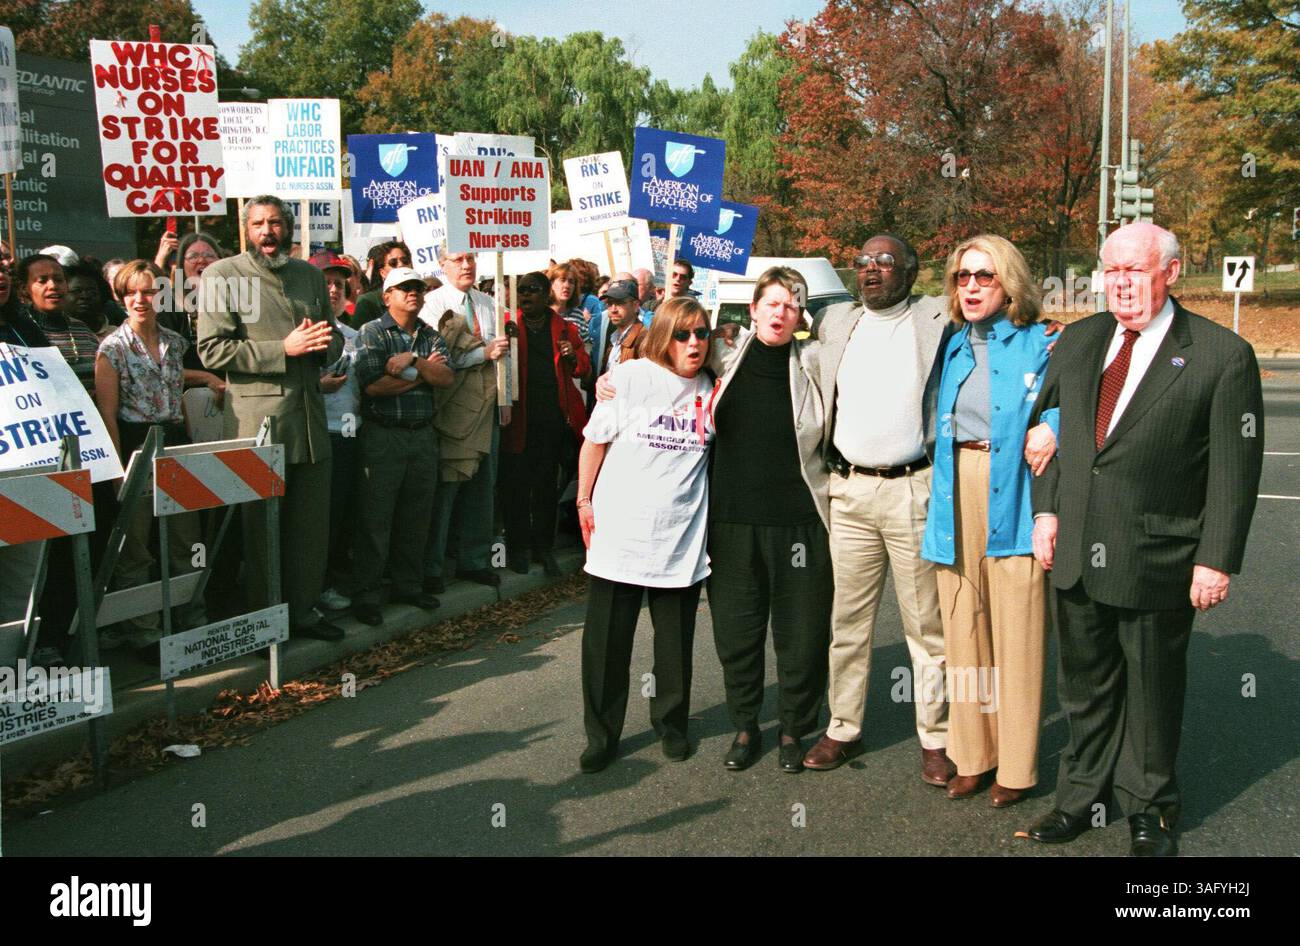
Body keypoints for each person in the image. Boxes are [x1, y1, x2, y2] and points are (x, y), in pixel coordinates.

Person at [1024, 223, 1264, 857]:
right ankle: (1079, 797)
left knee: (1152, 692)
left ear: (1171, 273)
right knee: (1084, 688)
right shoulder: (1079, 341)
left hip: (1159, 555)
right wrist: (1045, 514)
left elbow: (1234, 471)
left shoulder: (1220, 355)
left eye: (1135, 270)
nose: (1121, 283)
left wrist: (1215, 559)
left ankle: (1149, 809)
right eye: (1111, 270)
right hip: (1076, 548)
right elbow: (1050, 433)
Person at [804, 234, 956, 782]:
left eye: (885, 261)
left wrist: (1046, 330)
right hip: (849, 493)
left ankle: (936, 737)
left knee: (927, 628)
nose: (870, 270)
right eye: (863, 261)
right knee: (847, 623)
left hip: (912, 489)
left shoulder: (938, 318)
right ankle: (843, 727)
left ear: (911, 271)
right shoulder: (835, 322)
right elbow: (779, 352)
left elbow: (1000, 313)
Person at [919, 235, 1059, 807]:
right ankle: (973, 756)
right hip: (954, 491)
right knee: (964, 631)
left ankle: (1017, 769)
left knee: (1017, 637)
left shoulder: (1043, 342)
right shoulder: (952, 344)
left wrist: (1054, 427)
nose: (972, 287)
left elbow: (1077, 401)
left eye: (985, 276)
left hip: (1015, 494)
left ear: (1009, 284)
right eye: (963, 277)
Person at [197, 195, 344, 642]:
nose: (268, 231)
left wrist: (326, 345)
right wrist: (283, 349)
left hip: (310, 424)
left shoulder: (309, 275)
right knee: (262, 531)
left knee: (310, 528)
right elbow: (212, 350)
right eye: (258, 223)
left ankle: (303, 611)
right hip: (259, 425)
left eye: (276, 222)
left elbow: (334, 339)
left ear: (289, 227)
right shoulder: (223, 275)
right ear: (246, 229)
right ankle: (265, 625)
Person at [576, 297, 715, 772]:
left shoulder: (713, 386)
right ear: (663, 338)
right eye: (682, 334)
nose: (694, 343)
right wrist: (583, 500)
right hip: (620, 534)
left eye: (701, 333)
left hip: (680, 540)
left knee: (673, 649)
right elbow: (594, 443)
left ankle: (671, 726)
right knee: (606, 646)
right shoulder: (632, 378)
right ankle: (601, 736)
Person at [706, 267, 834, 772]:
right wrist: (612, 380)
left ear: (801, 316)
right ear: (753, 309)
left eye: (791, 305)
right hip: (732, 522)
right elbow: (662, 353)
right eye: (772, 303)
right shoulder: (722, 353)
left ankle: (793, 729)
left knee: (802, 636)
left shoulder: (815, 362)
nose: (780, 313)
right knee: (737, 634)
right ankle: (744, 726)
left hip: (801, 523)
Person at [93, 261, 204, 659]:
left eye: (148, 291)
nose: (140, 299)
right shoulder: (112, 348)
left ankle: (190, 617)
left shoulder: (175, 342)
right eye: (131, 292)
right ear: (121, 298)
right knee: (135, 545)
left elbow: (178, 397)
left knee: (185, 539)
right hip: (135, 445)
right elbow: (107, 413)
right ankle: (143, 631)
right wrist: (116, 471)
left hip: (174, 442)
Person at [349, 267, 454, 625]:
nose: (413, 293)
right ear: (387, 296)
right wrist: (424, 375)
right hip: (384, 434)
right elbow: (374, 385)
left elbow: (446, 377)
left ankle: (408, 586)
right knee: (375, 517)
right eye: (404, 287)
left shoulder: (429, 334)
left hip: (422, 434)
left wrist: (413, 362)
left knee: (416, 515)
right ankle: (367, 594)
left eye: (418, 288)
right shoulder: (372, 332)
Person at [419, 246, 511, 593]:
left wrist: (506, 397)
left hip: (488, 405)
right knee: (448, 485)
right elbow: (438, 360)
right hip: (453, 407)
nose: (466, 265)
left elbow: (504, 355)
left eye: (471, 258)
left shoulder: (488, 304)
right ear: (442, 265)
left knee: (483, 486)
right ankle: (433, 566)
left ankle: (475, 560)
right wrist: (480, 353)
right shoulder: (432, 305)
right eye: (458, 259)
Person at [500, 272, 590, 576]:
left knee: (545, 488)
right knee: (515, 488)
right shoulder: (509, 325)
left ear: (545, 294)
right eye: (522, 290)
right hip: (517, 421)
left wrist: (572, 355)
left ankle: (543, 548)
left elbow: (583, 369)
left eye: (533, 289)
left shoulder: (564, 327)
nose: (526, 294)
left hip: (551, 420)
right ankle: (518, 549)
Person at [0, 258, 51, 627]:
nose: (0, 277)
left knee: (24, 578)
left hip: (25, 472)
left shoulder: (26, 329)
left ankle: (17, 652)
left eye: (3, 270)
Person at [315, 254, 364, 612]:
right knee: (322, 517)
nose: (333, 290)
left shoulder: (354, 336)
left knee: (345, 513)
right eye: (326, 283)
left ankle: (336, 579)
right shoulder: (303, 333)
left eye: (338, 284)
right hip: (320, 434)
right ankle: (315, 587)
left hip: (351, 435)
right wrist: (317, 386)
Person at [16, 254, 100, 394]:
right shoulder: (17, 332)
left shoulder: (83, 330)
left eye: (59, 280)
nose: (53, 286)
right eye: (42, 281)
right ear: (24, 288)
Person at [585, 277, 645, 411]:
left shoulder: (644, 339)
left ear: (636, 305)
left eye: (620, 303)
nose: (613, 309)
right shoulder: (614, 338)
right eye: (609, 303)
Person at [352, 241, 412, 328]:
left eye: (405, 260)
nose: (400, 265)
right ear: (383, 272)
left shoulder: (421, 296)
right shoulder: (367, 302)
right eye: (393, 263)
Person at [64, 262, 120, 340]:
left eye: (91, 292)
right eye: (77, 291)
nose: (85, 296)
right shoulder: (54, 335)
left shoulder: (117, 336)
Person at [548, 261, 593, 351]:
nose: (567, 285)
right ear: (551, 284)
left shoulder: (577, 314)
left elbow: (587, 346)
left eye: (571, 282)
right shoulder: (541, 313)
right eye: (562, 280)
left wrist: (574, 352)